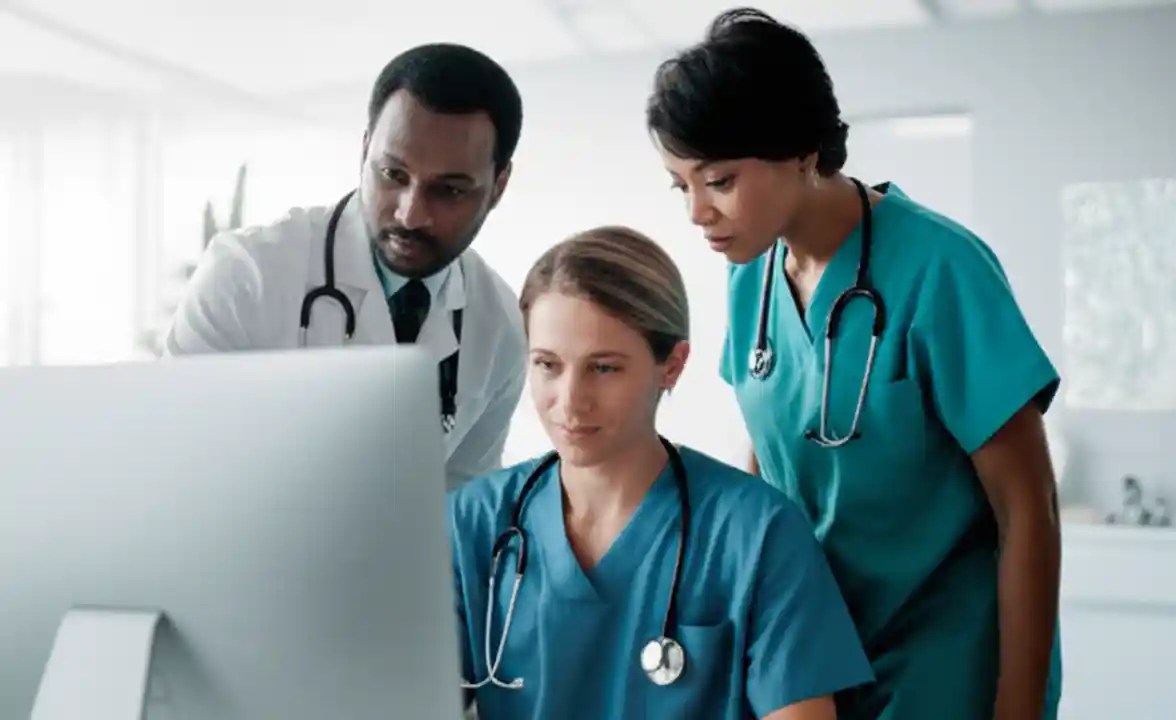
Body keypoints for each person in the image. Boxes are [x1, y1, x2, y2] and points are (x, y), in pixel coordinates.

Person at [646, 8, 1062, 720]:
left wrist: (1017, 704)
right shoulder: (752, 270)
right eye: (679, 184)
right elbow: (771, 454)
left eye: (718, 181)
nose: (696, 212)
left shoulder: (940, 268)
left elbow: (1028, 508)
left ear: (803, 153)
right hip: (814, 651)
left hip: (946, 660)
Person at [448, 226, 874, 719]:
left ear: (671, 365)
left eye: (604, 368)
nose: (570, 401)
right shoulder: (473, 524)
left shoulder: (756, 534)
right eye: (548, 365)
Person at [164, 43, 527, 489]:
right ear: (364, 152)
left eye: (449, 190)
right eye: (393, 175)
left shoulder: (500, 326)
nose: (410, 214)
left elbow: (458, 512)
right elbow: (176, 463)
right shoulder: (247, 276)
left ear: (498, 186)